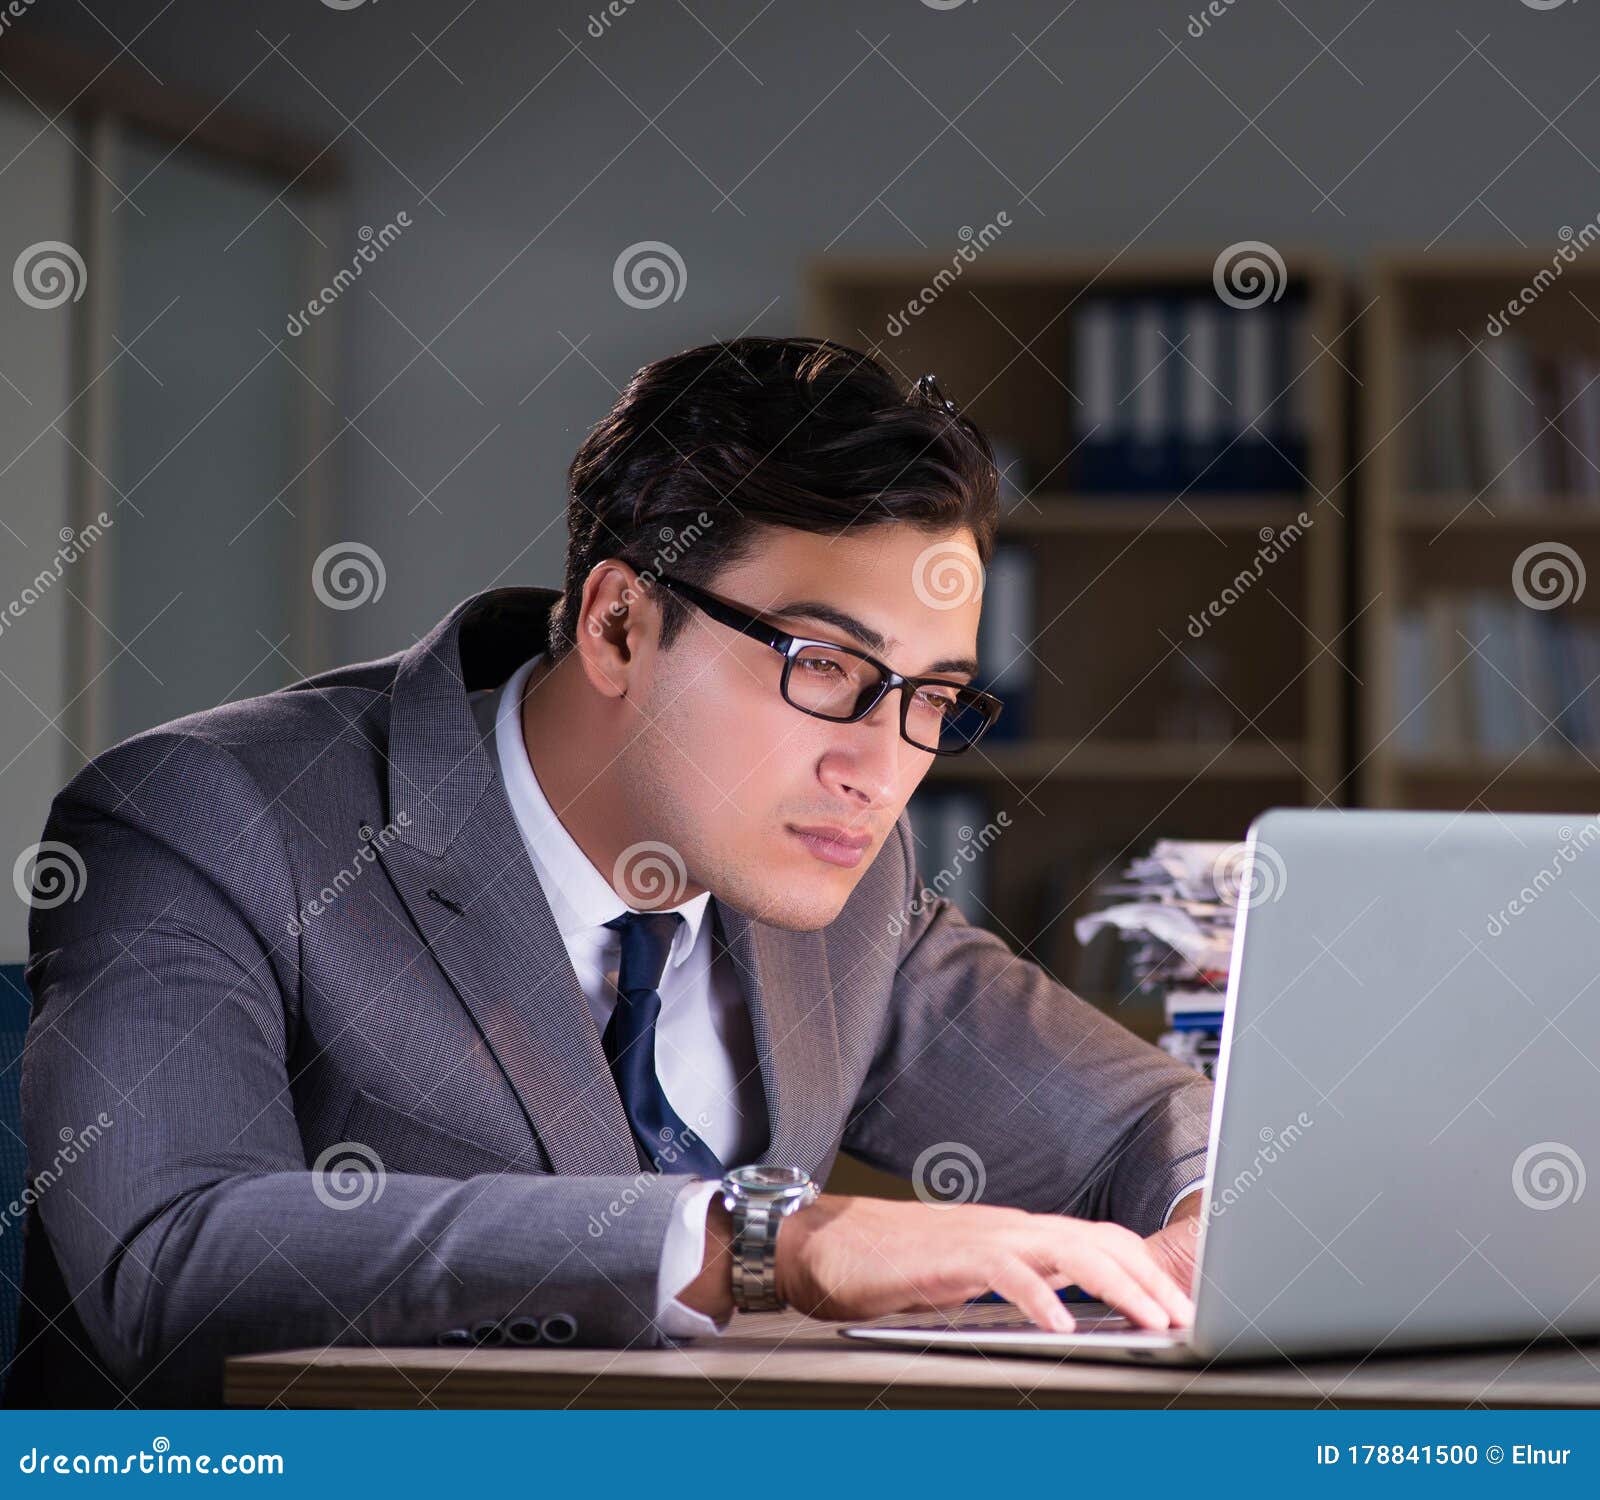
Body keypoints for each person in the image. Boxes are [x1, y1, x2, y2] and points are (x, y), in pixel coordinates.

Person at [10, 337, 1212, 1407]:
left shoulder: (842, 869)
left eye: (931, 698)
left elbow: (1142, 1124)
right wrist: (762, 1243)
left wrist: (1213, 1215)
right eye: (824, 666)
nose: (881, 768)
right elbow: (171, 1255)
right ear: (619, 625)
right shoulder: (211, 813)